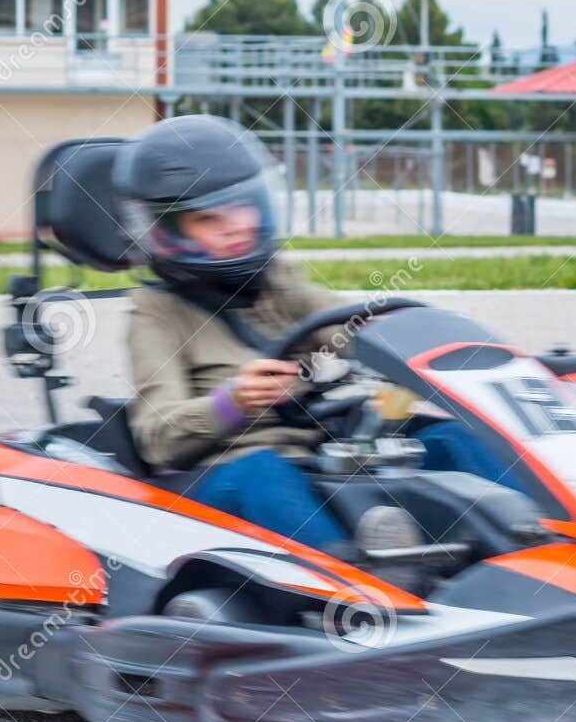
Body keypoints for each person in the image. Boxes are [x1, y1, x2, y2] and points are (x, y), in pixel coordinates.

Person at [115, 114, 507, 558]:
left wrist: (405, 343)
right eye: (208, 218)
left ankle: (538, 545)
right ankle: (358, 582)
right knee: (263, 473)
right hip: (222, 479)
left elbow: (346, 324)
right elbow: (157, 439)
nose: (236, 226)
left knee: (446, 440)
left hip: (312, 460)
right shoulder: (154, 310)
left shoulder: (274, 281)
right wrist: (233, 401)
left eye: (242, 207)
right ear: (167, 230)